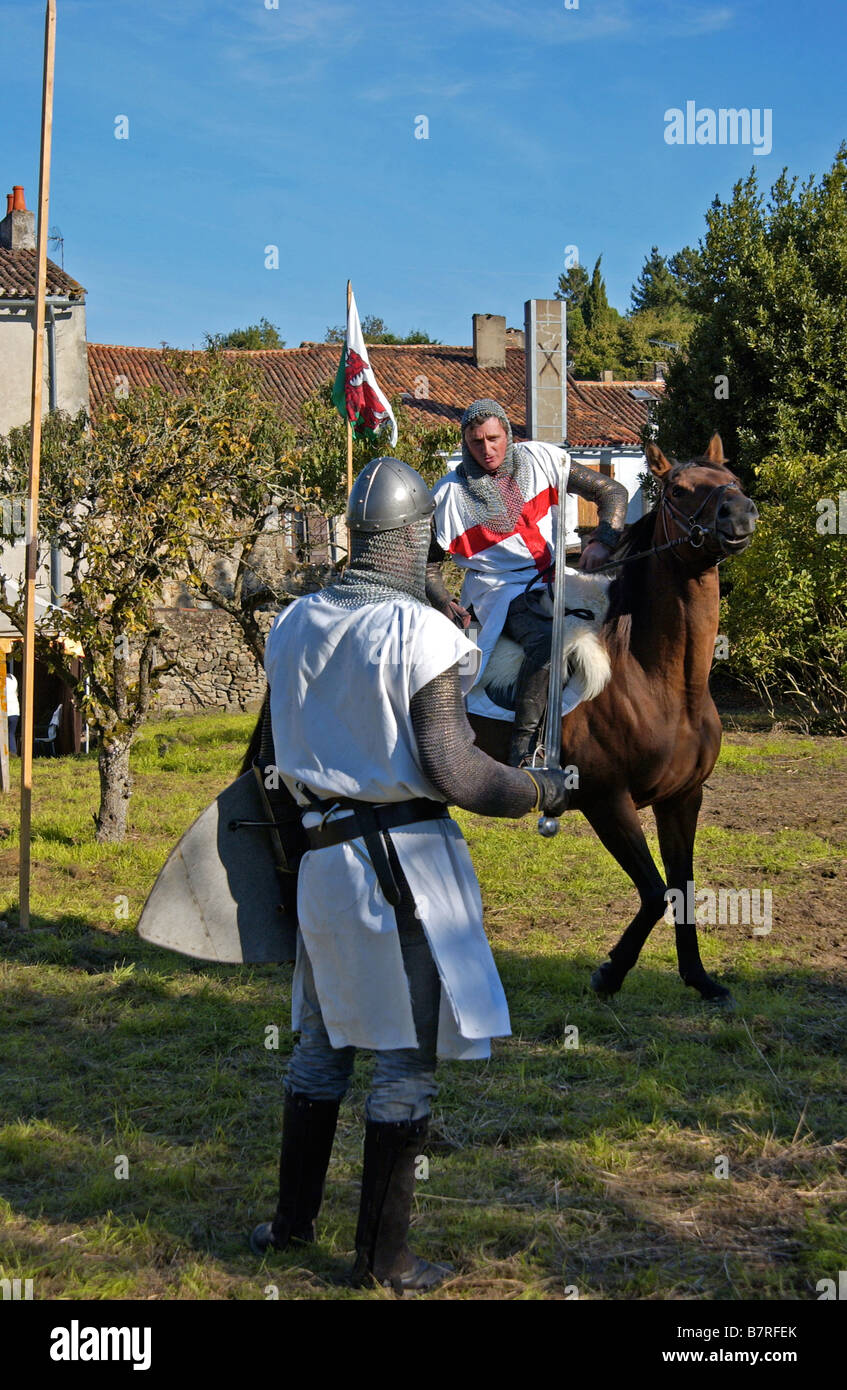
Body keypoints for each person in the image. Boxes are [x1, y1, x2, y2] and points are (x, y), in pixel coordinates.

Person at [250, 455, 573, 1294]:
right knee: (403, 1061)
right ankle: (383, 1261)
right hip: (399, 871)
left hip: (319, 864)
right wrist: (537, 789)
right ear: (411, 540)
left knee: (320, 1048)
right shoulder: (421, 633)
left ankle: (289, 1227)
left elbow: (269, 753)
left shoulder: (293, 622)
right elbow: (454, 770)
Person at [426, 399, 629, 766]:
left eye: (493, 438)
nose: (487, 449)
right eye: (476, 442)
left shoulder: (542, 460)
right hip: (500, 591)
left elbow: (612, 493)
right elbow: (427, 567)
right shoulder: (448, 496)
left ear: (508, 434)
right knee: (551, 642)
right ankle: (524, 746)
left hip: (556, 577)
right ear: (465, 443)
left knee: (625, 611)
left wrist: (603, 540)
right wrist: (443, 601)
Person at [5, 668, 19, 756]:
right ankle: (13, 753)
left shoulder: (2, 680)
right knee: (11, 733)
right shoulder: (13, 678)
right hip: (15, 711)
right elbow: (16, 693)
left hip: (5, 711)